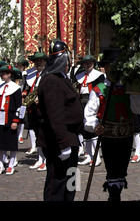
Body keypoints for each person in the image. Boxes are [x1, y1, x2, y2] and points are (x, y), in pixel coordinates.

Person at [84, 48, 140, 201]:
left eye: (116, 67)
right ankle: (114, 197)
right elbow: (89, 115)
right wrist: (95, 126)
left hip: (126, 136)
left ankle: (116, 193)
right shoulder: (99, 89)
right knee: (112, 171)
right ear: (105, 68)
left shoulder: (129, 87)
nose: (112, 70)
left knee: (121, 171)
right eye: (109, 66)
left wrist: (135, 89)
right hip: (109, 137)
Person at [37, 41, 83, 201]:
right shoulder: (51, 81)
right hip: (60, 143)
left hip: (72, 140)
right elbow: (55, 116)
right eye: (68, 59)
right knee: (56, 186)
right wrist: (63, 144)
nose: (70, 63)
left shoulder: (64, 79)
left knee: (71, 183)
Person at [74, 55, 105, 167]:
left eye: (90, 62)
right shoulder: (79, 76)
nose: (88, 65)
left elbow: (101, 89)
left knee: (93, 129)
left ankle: (96, 157)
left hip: (92, 101)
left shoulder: (99, 76)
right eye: (86, 63)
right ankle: (89, 155)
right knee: (84, 130)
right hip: (81, 101)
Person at [23, 51, 47, 171]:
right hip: (32, 108)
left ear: (45, 62)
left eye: (41, 61)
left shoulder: (48, 74)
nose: (38, 63)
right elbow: (28, 88)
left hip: (43, 109)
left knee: (44, 135)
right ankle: (40, 158)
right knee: (37, 134)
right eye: (36, 61)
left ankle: (46, 160)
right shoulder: (31, 74)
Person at [0, 65, 23, 175]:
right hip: (1, 116)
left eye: (3, 73)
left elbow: (19, 106)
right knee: (1, 142)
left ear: (9, 74)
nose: (1, 75)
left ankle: (11, 164)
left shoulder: (16, 88)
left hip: (11, 116)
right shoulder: (1, 87)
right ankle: (1, 165)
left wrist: (16, 120)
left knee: (11, 143)